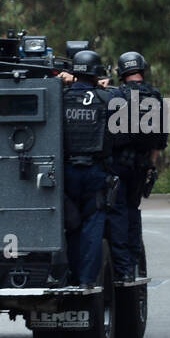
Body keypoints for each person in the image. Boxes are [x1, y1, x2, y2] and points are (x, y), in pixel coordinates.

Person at [106, 51, 166, 281]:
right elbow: (160, 140)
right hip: (141, 166)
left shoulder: (115, 97)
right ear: (142, 70)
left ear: (121, 72)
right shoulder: (155, 97)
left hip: (118, 166)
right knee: (133, 212)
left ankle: (122, 269)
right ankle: (132, 264)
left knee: (118, 213)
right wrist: (150, 164)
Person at [61, 49, 115, 287]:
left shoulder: (59, 97)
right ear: (96, 75)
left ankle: (71, 276)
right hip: (95, 172)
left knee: (71, 224)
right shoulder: (106, 100)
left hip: (66, 173)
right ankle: (86, 281)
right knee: (93, 227)